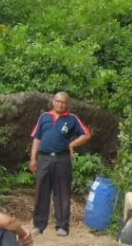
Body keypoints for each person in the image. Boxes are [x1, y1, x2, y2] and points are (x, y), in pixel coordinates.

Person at [29, 91, 91, 236]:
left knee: (62, 193)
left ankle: (62, 226)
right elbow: (36, 139)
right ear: (53, 101)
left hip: (62, 159)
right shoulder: (44, 117)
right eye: (58, 101)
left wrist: (72, 144)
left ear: (67, 104)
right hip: (44, 158)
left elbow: (86, 134)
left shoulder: (72, 119)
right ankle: (39, 225)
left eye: (63, 102)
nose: (60, 104)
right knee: (41, 192)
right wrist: (33, 158)